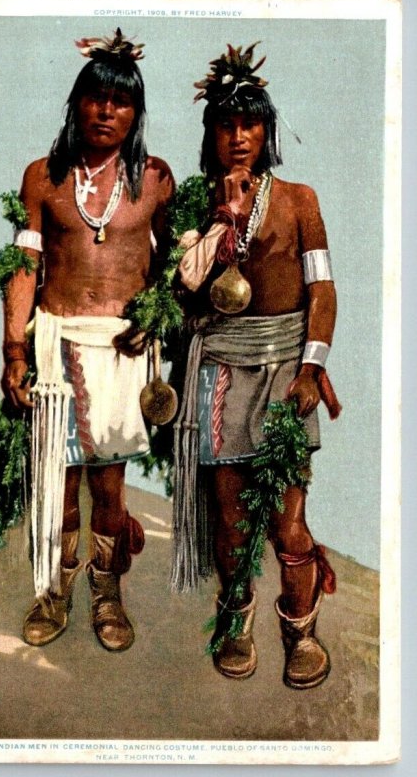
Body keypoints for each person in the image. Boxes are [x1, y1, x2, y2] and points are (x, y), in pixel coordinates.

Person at [172, 43, 340, 689]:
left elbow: (322, 290)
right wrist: (220, 227)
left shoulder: (299, 201)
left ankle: (301, 633)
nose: (237, 137)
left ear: (266, 131)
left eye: (249, 124)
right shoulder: (195, 204)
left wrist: (311, 368)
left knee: (287, 520)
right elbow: (180, 297)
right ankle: (234, 621)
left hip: (284, 373)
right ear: (210, 133)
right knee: (230, 515)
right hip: (218, 369)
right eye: (225, 124)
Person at [1, 29, 174, 650]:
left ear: (136, 112)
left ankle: (107, 593)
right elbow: (23, 266)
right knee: (59, 481)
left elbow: (175, 267)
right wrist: (14, 351)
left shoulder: (155, 178)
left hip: (123, 350)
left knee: (109, 484)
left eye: (120, 102)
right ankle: (55, 590)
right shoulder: (43, 178)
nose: (106, 111)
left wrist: (154, 316)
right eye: (96, 98)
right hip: (55, 343)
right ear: (76, 102)